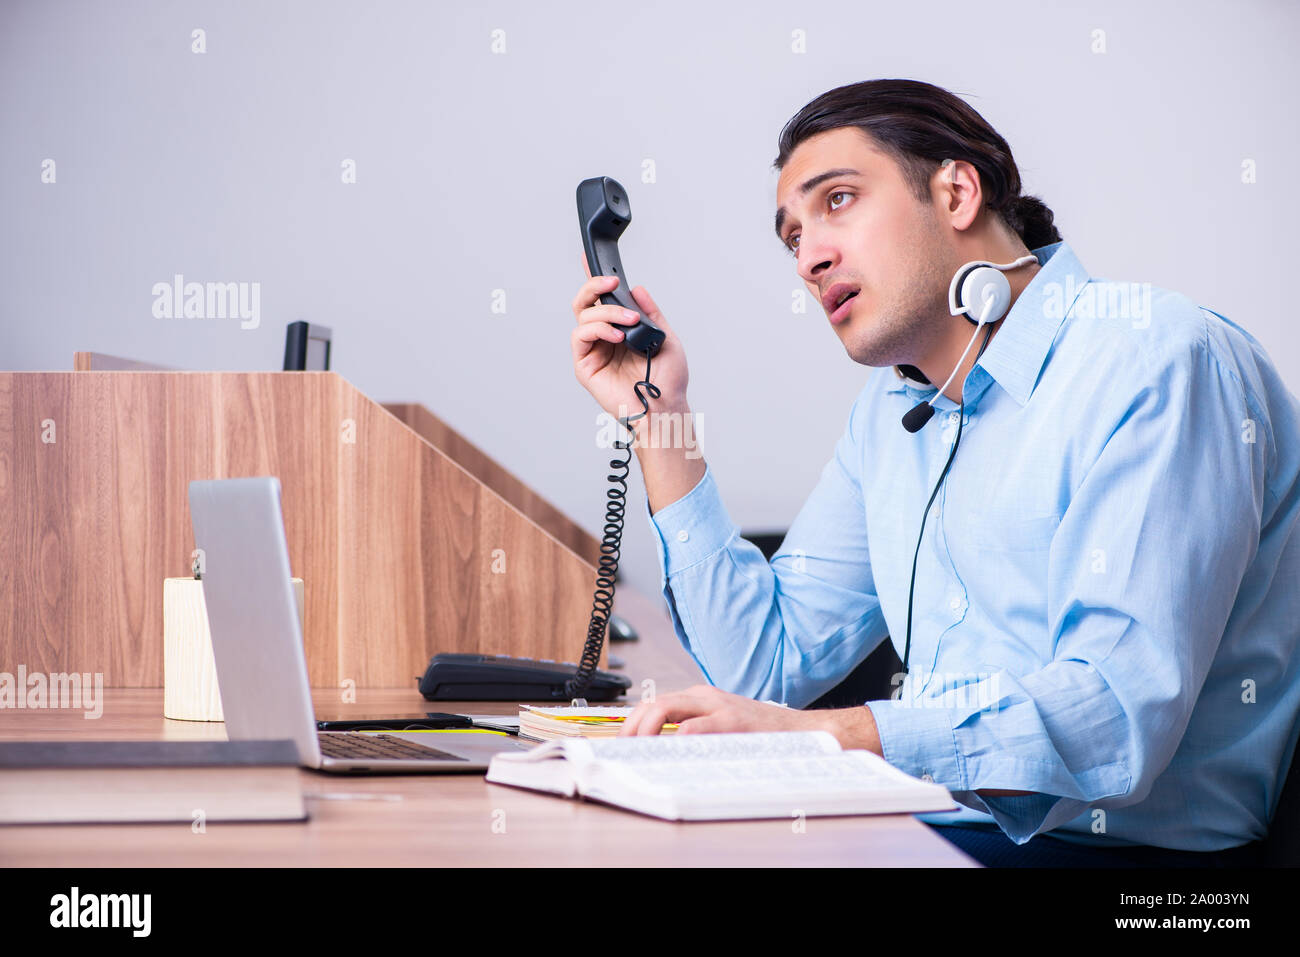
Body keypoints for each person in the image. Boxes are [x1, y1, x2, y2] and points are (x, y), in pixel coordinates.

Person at [568, 78, 1300, 866]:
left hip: (1138, 867)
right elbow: (763, 663)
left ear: (956, 192)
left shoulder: (1154, 361)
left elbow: (1115, 712)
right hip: (938, 829)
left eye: (838, 200)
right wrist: (659, 416)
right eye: (791, 237)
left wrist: (834, 736)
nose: (810, 256)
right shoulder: (894, 414)